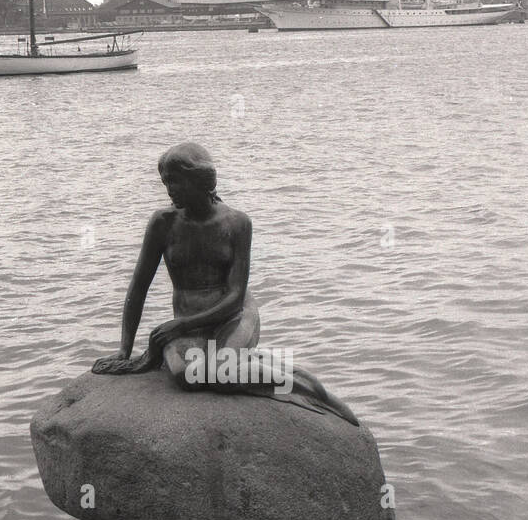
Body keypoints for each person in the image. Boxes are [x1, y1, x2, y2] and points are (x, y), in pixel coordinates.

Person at [92, 142, 357, 424]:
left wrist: (179, 325)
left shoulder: (237, 223)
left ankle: (310, 390)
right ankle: (256, 366)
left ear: (200, 180)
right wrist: (125, 349)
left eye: (176, 181)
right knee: (186, 375)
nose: (169, 189)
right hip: (188, 320)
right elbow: (138, 287)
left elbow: (235, 296)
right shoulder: (162, 223)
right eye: (165, 182)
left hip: (234, 314)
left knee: (221, 369)